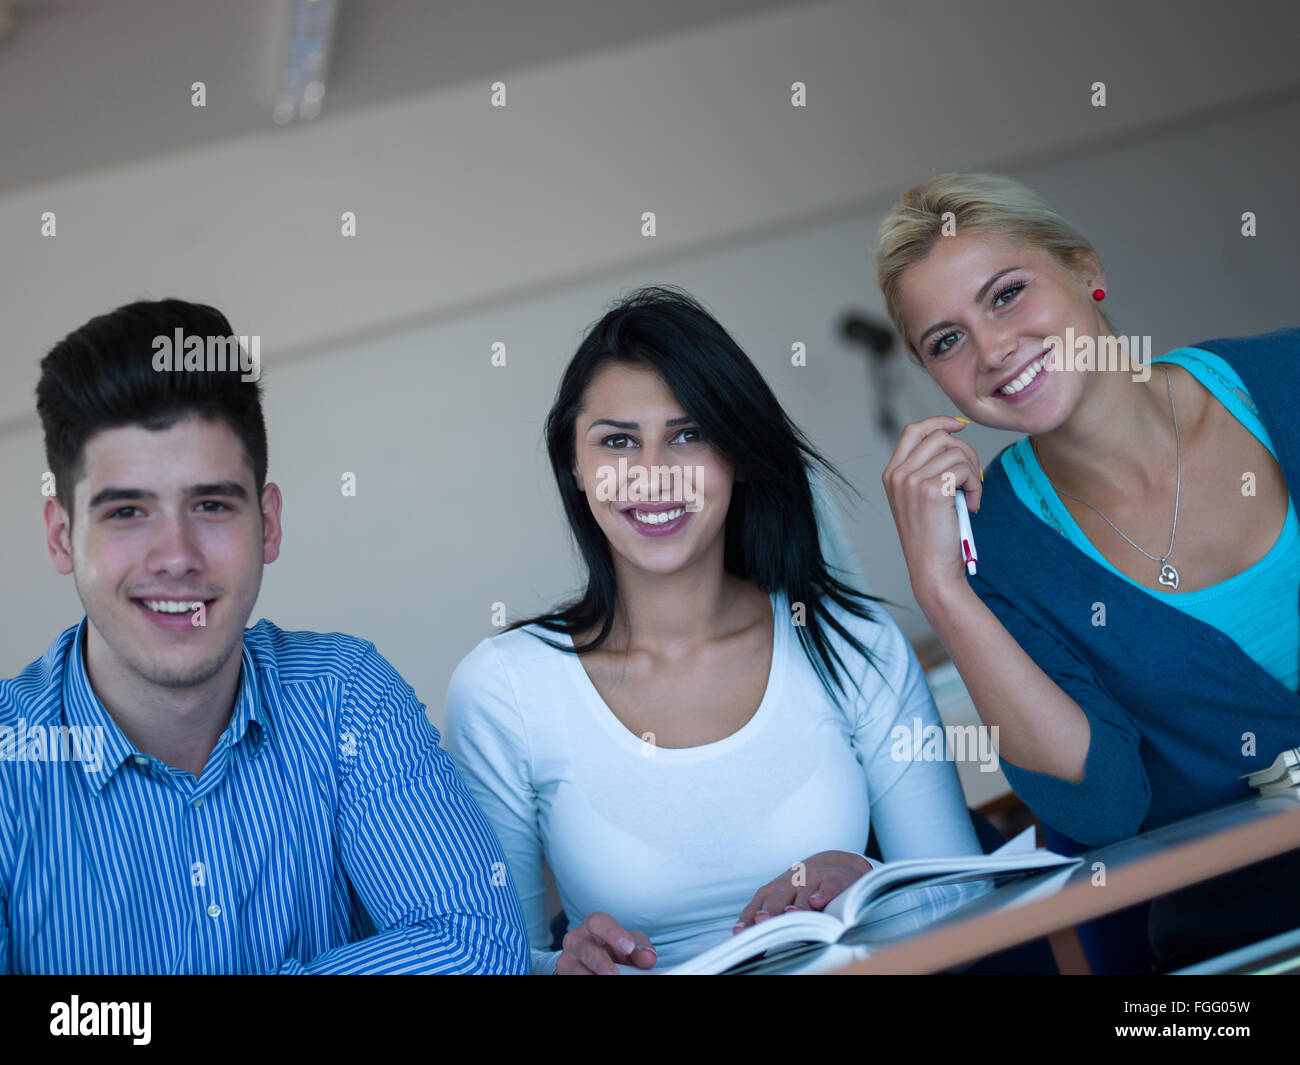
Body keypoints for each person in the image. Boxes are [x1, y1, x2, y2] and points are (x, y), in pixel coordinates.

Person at [443, 285, 982, 975]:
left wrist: (864, 880)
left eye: (688, 435)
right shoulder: (505, 687)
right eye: (616, 442)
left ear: (738, 454)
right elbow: (492, 962)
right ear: (575, 468)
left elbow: (969, 908)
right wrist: (559, 969)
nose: (654, 476)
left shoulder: (854, 643)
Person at [0, 299, 528, 974]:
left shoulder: (347, 698)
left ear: (268, 523)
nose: (176, 555)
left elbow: (480, 949)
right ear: (59, 535)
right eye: (127, 511)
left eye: (211, 504)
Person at [874, 172, 1299, 967]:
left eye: (1006, 294)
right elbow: (1103, 805)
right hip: (1245, 953)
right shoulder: (996, 544)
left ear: (1085, 268)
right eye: (946, 339)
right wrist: (943, 588)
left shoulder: (1290, 381)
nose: (993, 349)